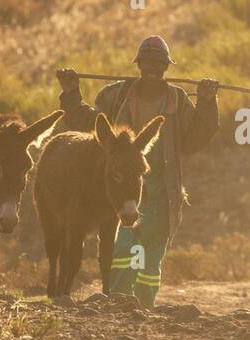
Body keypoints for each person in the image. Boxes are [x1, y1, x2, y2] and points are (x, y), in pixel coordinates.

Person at [55, 36, 219, 307]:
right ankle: (119, 304)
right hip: (121, 187)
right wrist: (71, 93)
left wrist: (206, 102)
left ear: (166, 68)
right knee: (121, 248)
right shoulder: (116, 95)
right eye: (147, 62)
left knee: (151, 256)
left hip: (161, 189)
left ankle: (144, 310)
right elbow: (88, 124)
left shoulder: (177, 100)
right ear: (139, 64)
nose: (153, 68)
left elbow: (194, 140)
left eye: (159, 63)